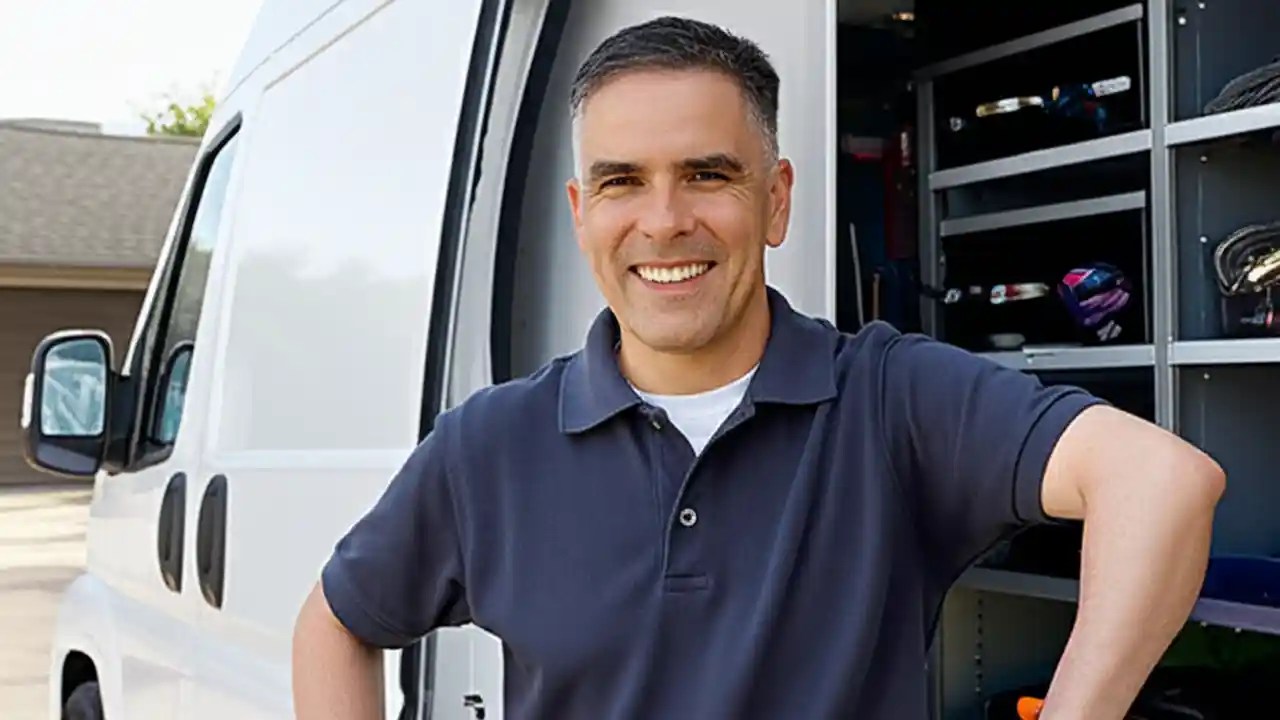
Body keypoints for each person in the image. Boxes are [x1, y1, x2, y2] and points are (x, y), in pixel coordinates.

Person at [292, 15, 1225, 720]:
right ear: (581, 212)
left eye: (707, 174)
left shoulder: (888, 398)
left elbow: (1163, 482)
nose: (663, 222)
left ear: (775, 201)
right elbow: (337, 621)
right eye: (623, 181)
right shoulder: (488, 445)